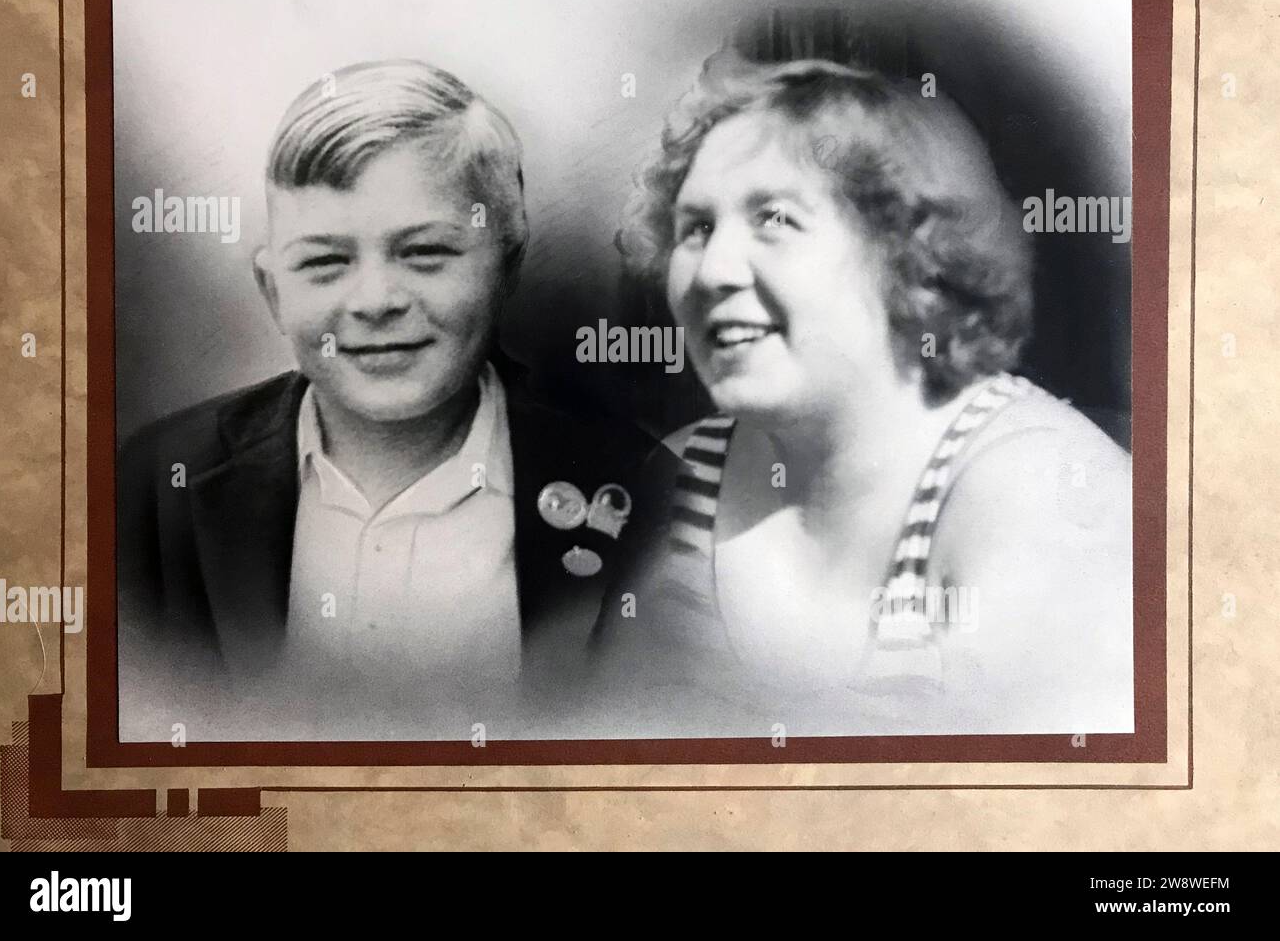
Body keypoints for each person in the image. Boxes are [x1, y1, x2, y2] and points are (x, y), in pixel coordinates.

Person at [117, 59, 668, 740]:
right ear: (272, 290)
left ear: (506, 264)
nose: (376, 301)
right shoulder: (155, 485)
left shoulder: (635, 483)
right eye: (324, 261)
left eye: (425, 252)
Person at [595, 50, 1133, 737]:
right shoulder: (677, 475)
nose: (712, 272)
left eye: (775, 219)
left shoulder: (1037, 490)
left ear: (902, 251)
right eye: (695, 228)